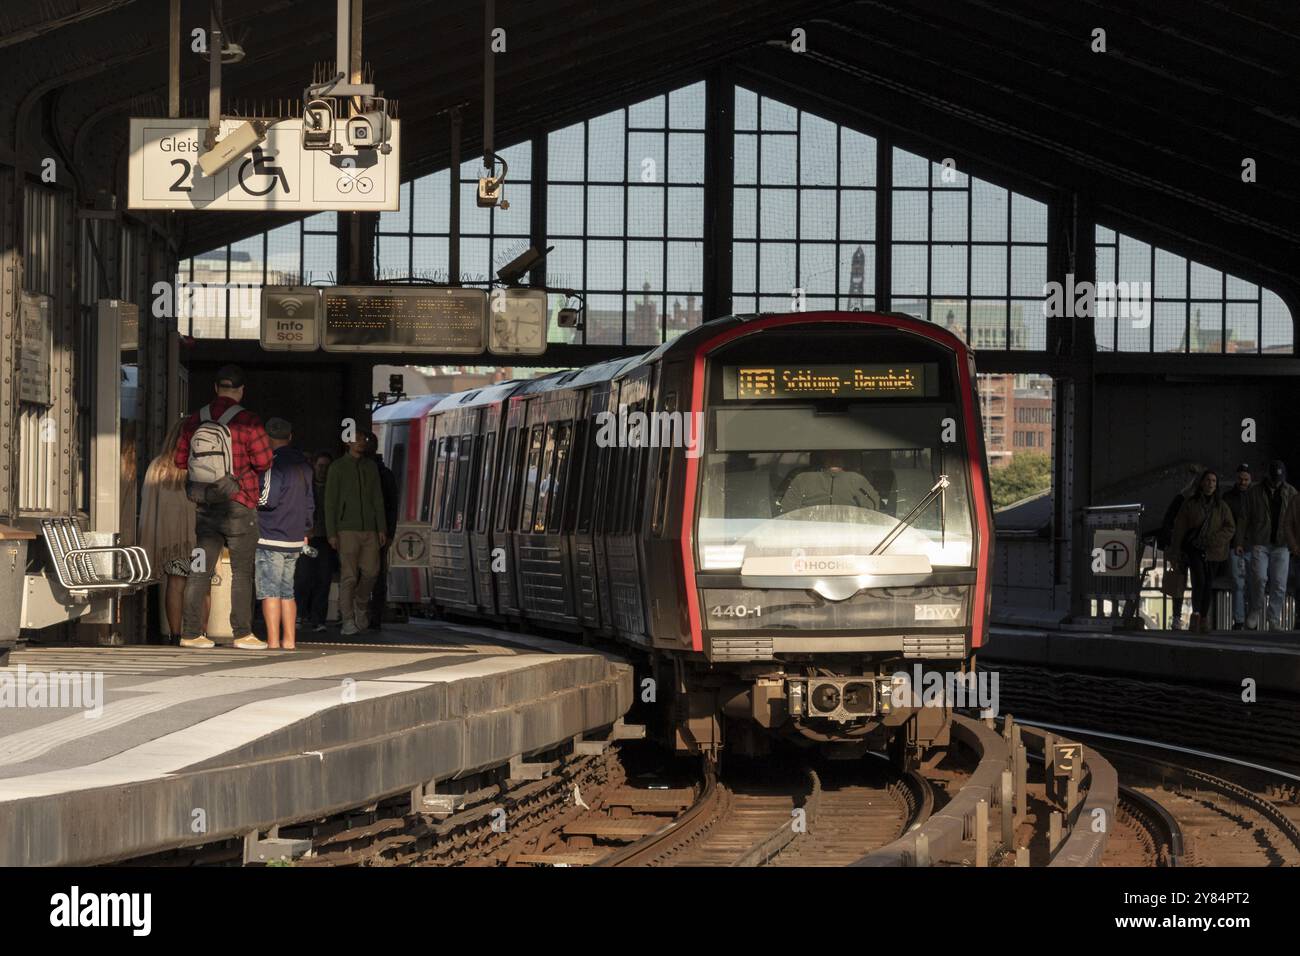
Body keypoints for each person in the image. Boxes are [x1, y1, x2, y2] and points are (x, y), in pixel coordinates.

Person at [174, 365, 273, 650]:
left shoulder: (195, 420)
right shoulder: (248, 420)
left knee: (199, 568)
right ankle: (242, 633)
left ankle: (191, 633)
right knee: (242, 572)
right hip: (239, 504)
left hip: (205, 506)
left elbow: (181, 461)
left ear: (216, 388)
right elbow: (265, 462)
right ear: (241, 390)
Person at [138, 418, 208, 641]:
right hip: (199, 539)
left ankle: (175, 635)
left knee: (175, 585)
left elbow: (149, 503)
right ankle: (199, 634)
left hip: (170, 541)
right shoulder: (202, 465)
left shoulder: (158, 466)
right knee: (202, 586)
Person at [256, 418, 314, 650]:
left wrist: (252, 501)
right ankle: (289, 640)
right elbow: (310, 502)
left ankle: (272, 641)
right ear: (290, 437)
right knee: (287, 591)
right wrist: (305, 529)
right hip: (295, 536)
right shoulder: (305, 466)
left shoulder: (273, 464)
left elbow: (267, 499)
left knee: (270, 590)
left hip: (271, 534)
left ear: (267, 439)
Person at [325, 433, 388, 636]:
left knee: (372, 572)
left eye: (364, 440)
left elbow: (378, 498)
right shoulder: (337, 468)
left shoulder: (370, 467)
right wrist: (332, 532)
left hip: (369, 528)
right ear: (347, 442)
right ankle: (348, 620)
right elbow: (331, 502)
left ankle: (361, 603)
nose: (362, 443)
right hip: (347, 529)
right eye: (358, 439)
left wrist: (381, 528)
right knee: (349, 576)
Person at [1234, 459, 1298, 630]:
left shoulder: (1291, 492)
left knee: (1279, 582)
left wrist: (1294, 543)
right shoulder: (1254, 492)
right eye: (1274, 478)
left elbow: (1295, 519)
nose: (1277, 482)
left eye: (1279, 479)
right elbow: (1243, 518)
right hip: (1260, 542)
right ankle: (1255, 610)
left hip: (1282, 544)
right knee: (1259, 578)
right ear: (1267, 476)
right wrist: (1239, 542)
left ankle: (1274, 618)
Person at [1169, 469, 1235, 633]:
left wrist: (1213, 540)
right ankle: (1196, 616)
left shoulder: (1221, 505)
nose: (1210, 484)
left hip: (1214, 551)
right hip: (1195, 548)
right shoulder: (1190, 504)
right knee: (1199, 580)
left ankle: (1203, 618)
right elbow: (1179, 528)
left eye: (1213, 481)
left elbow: (1230, 527)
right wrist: (1175, 552)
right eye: (1208, 480)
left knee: (1208, 583)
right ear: (1201, 483)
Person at [295, 451, 336, 632]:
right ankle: (300, 614)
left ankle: (318, 619)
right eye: (320, 466)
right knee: (303, 578)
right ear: (314, 466)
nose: (323, 470)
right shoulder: (305, 486)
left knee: (323, 578)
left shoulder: (333, 487)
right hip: (307, 538)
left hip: (326, 538)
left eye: (327, 467)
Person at [1155, 469, 1198, 629]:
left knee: (1179, 582)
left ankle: (1177, 617)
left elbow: (1167, 522)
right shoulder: (1201, 502)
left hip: (1179, 546)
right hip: (1191, 547)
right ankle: (1197, 616)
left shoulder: (1181, 500)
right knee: (1196, 582)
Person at [366, 431, 399, 632]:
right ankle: (374, 616)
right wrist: (390, 532)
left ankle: (364, 615)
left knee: (363, 575)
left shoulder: (379, 474)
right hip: (380, 532)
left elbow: (389, 506)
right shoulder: (385, 473)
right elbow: (392, 506)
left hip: (371, 531)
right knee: (377, 576)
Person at [779, 451, 881, 514]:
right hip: (807, 536)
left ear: (844, 458)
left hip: (850, 535)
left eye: (838, 454)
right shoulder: (803, 479)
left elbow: (872, 510)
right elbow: (788, 512)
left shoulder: (857, 480)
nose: (834, 458)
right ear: (823, 457)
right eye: (830, 454)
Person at [1221, 463, 1252, 629]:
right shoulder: (1229, 497)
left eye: (1245, 479)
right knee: (1240, 584)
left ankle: (1243, 620)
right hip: (1237, 546)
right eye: (1241, 479)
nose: (1243, 482)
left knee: (1246, 585)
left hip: (1249, 546)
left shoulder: (1228, 497)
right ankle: (1242, 620)